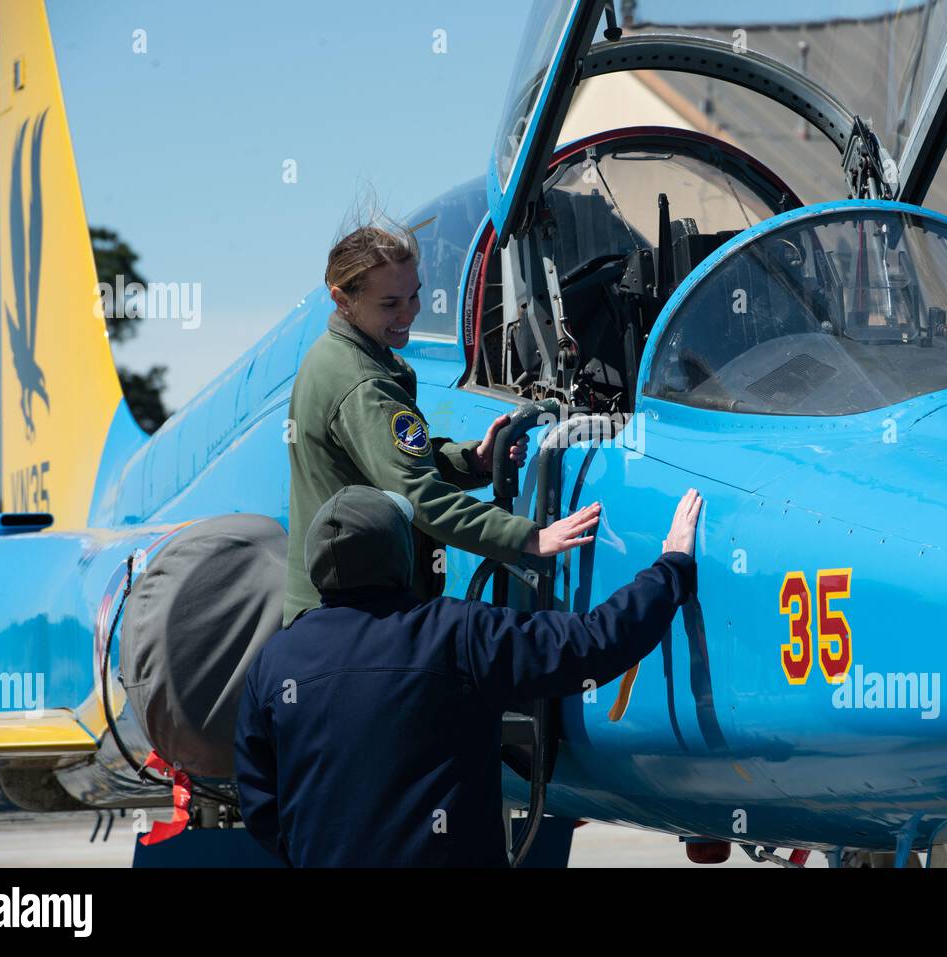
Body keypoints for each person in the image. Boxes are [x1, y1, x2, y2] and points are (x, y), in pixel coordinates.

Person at [236, 485, 703, 867]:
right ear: (403, 555)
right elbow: (594, 644)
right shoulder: (456, 632)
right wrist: (670, 570)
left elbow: (261, 805)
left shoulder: (275, 662)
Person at [283, 218, 601, 625]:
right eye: (390, 303)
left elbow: (388, 466)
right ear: (342, 299)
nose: (409, 313)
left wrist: (474, 460)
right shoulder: (363, 384)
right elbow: (418, 497)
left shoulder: (340, 357)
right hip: (350, 621)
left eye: (414, 297)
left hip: (336, 612)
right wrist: (528, 537)